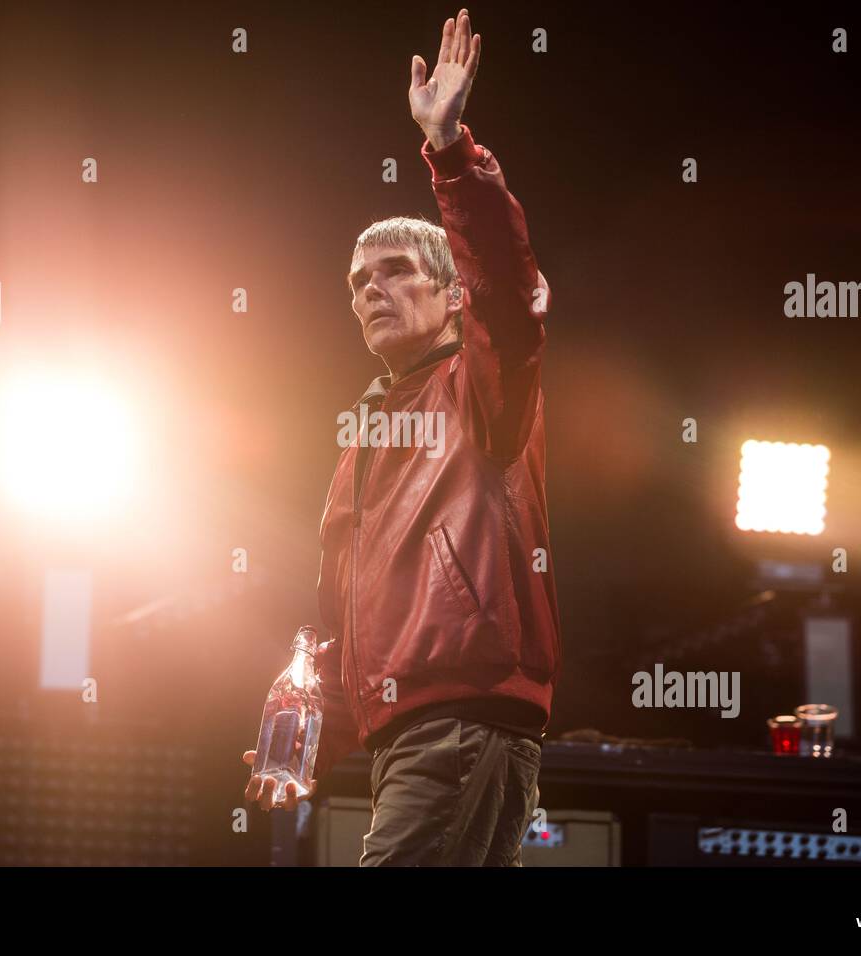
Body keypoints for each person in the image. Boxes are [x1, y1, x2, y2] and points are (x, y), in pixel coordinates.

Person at [243, 7, 560, 866]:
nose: (369, 292)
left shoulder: (482, 386)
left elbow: (504, 281)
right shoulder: (364, 444)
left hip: (460, 722)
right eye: (356, 282)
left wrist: (451, 151)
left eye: (395, 273)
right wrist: (318, 737)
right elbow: (357, 623)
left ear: (453, 295)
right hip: (415, 735)